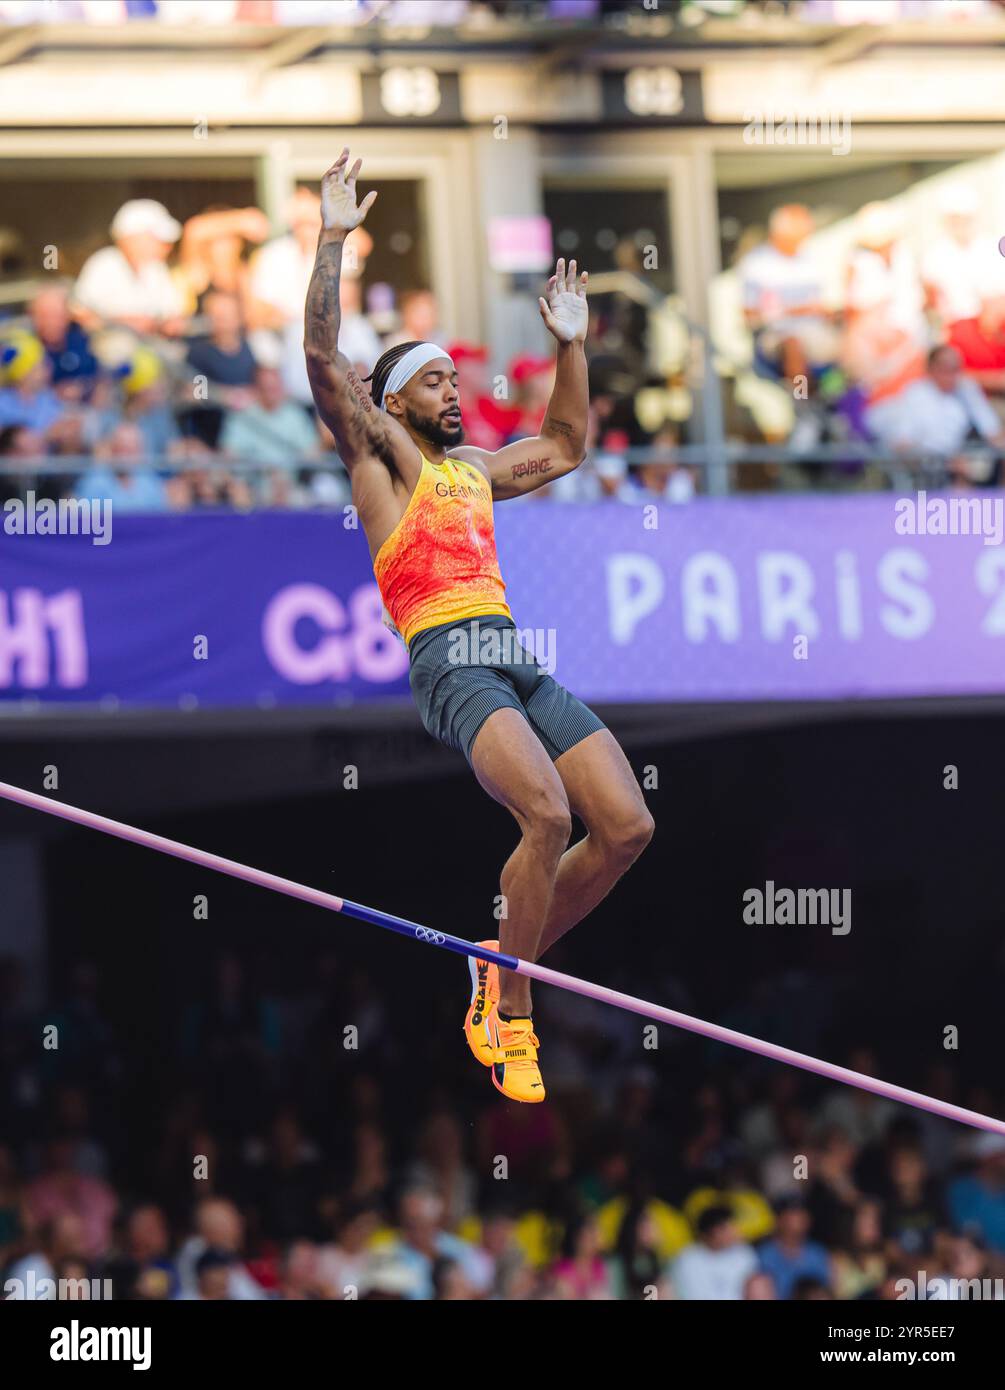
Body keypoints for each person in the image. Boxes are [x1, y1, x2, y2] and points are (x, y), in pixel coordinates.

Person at [304, 148, 653, 1104]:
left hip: (511, 653)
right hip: (452, 660)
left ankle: (498, 955)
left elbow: (570, 445)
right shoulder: (381, 463)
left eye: (456, 380)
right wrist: (334, 239)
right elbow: (319, 361)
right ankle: (509, 1011)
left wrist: (571, 345)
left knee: (623, 826)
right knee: (544, 814)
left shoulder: (475, 470)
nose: (453, 392)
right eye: (433, 382)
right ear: (392, 402)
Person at [72, 199, 186, 335]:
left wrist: (169, 324)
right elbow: (78, 312)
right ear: (131, 238)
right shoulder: (104, 264)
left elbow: (173, 314)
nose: (166, 246)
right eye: (155, 238)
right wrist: (121, 324)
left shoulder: (156, 269)